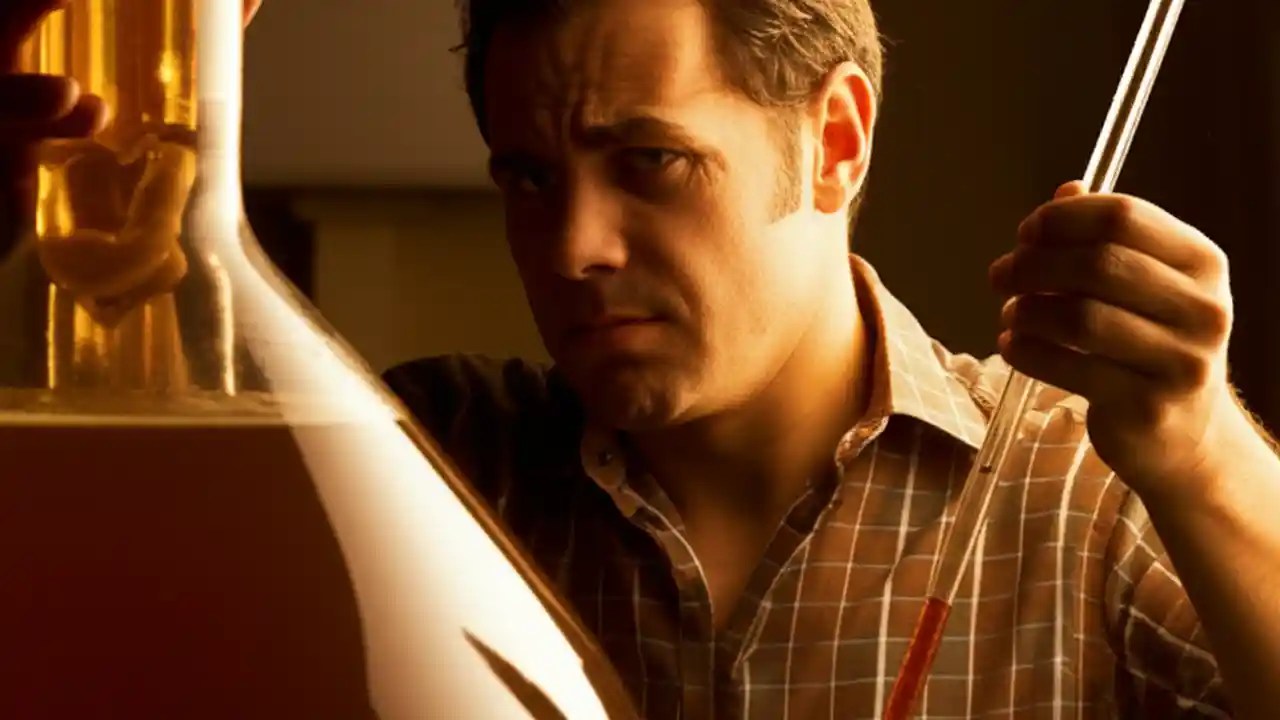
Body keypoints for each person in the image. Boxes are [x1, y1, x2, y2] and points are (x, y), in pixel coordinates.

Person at [3, 0, 1279, 717]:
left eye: (649, 162)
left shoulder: (1077, 493)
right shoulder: (437, 465)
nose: (570, 247)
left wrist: (1204, 456)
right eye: (527, 176)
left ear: (834, 142)